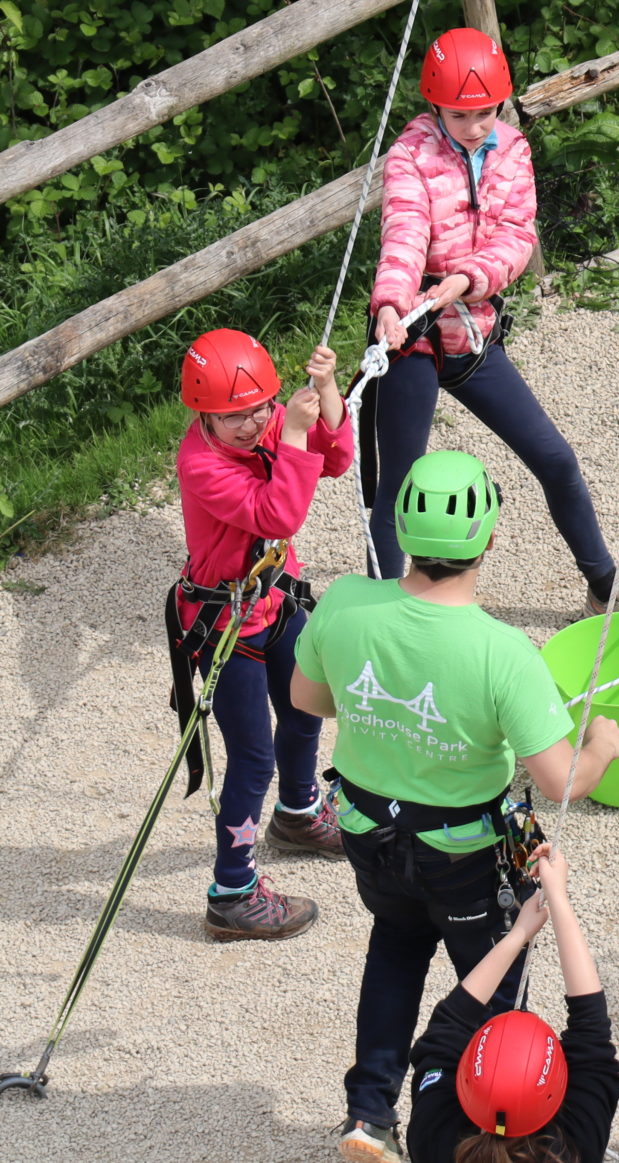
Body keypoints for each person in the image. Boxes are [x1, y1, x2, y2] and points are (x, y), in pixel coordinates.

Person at [291, 448, 619, 1163]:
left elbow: (308, 698)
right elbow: (563, 780)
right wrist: (602, 745)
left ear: (401, 530)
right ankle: (497, 1131)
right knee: (495, 985)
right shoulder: (502, 650)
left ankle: (369, 1111)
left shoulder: (344, 602)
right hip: (462, 852)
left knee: (395, 943)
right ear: (490, 540)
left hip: (367, 830)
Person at [362, 26, 616, 612]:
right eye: (460, 115)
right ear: (434, 104)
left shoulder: (513, 148)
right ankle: (377, 617)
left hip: (473, 330)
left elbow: (516, 236)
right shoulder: (410, 156)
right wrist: (391, 305)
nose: (476, 126)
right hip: (414, 333)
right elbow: (404, 234)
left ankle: (606, 588)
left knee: (555, 458)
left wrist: (467, 279)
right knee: (398, 484)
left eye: (487, 112)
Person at [171, 326, 354, 940]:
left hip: (277, 600)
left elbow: (336, 459)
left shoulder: (271, 421)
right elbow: (280, 513)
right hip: (227, 626)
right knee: (252, 758)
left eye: (261, 408)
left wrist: (327, 393)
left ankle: (299, 812)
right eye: (234, 417)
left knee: (305, 710)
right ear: (203, 414)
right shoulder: (201, 464)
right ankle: (232, 893)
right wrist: (293, 431)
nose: (252, 425)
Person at [404, 842, 619, 1163]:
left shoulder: (434, 1133)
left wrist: (518, 934)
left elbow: (447, 1027)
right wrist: (558, 899)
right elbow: (592, 1034)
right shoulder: (576, 1143)